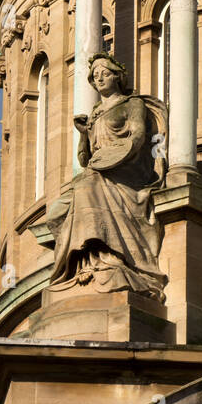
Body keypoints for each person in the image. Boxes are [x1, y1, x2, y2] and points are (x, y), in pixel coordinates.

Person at [46, 53, 167, 298]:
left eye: (105, 73)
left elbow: (138, 137)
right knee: (56, 212)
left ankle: (109, 258)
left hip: (127, 170)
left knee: (86, 188)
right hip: (98, 170)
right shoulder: (96, 113)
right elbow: (84, 160)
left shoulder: (131, 104)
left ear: (117, 77)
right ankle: (86, 261)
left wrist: (113, 159)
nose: (100, 79)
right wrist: (83, 134)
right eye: (95, 76)